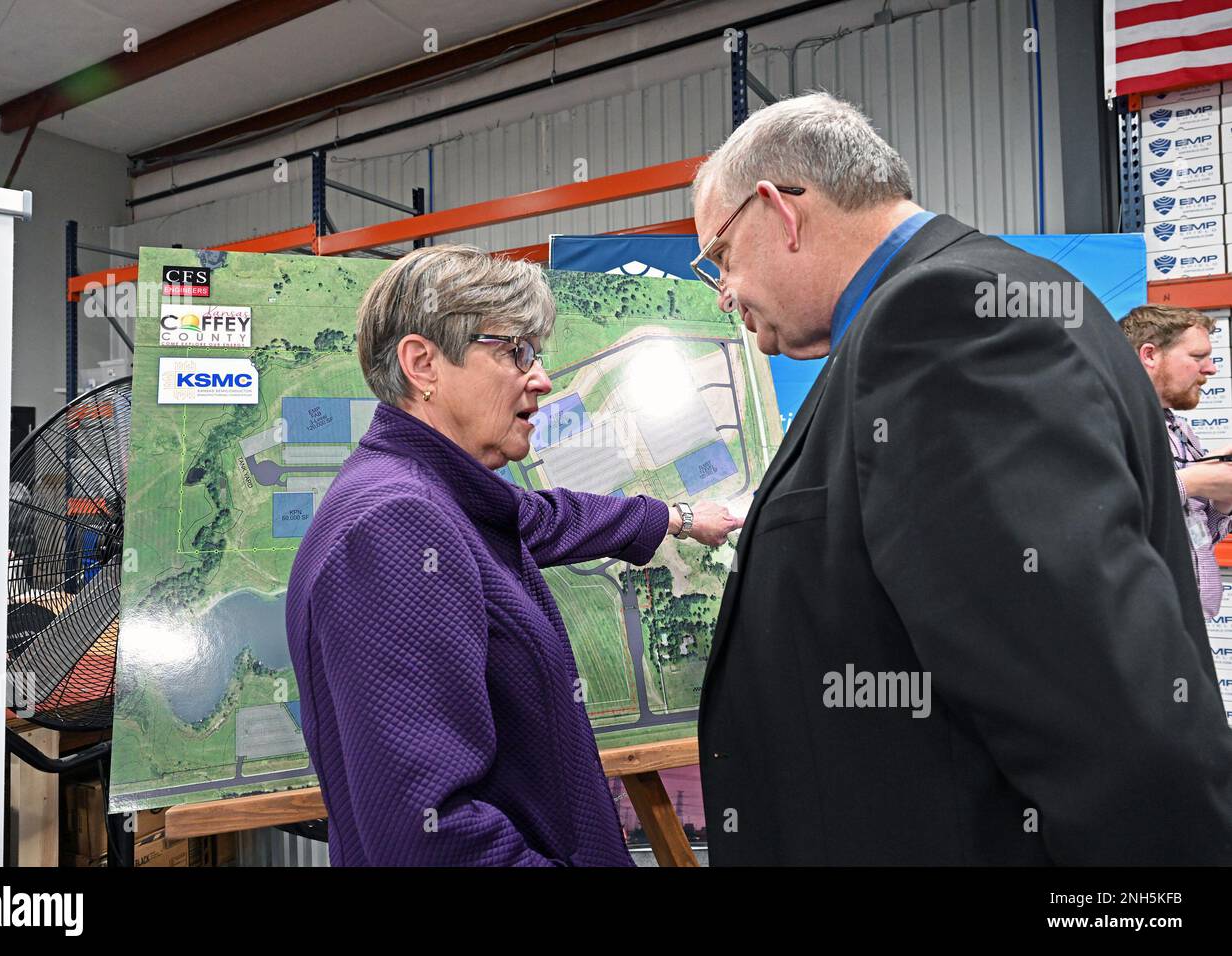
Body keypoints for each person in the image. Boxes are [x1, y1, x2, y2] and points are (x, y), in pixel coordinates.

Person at [690, 92, 1232, 864]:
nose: (725, 292)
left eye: (722, 256)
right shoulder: (964, 302)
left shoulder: (944, 319)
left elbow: (1103, 714)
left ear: (778, 211)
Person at [285, 244, 741, 866]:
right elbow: (429, 834)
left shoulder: (443, 493)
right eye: (514, 353)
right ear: (423, 364)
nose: (542, 378)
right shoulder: (395, 524)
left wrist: (676, 517)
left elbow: (543, 519)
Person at [1122, 305, 1232, 619]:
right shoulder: (1106, 422)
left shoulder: (1181, 431)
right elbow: (1105, 511)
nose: (1211, 369)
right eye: (1198, 357)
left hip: (1190, 625)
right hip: (1140, 626)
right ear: (1150, 355)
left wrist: (1221, 496)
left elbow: (1198, 535)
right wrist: (1194, 481)